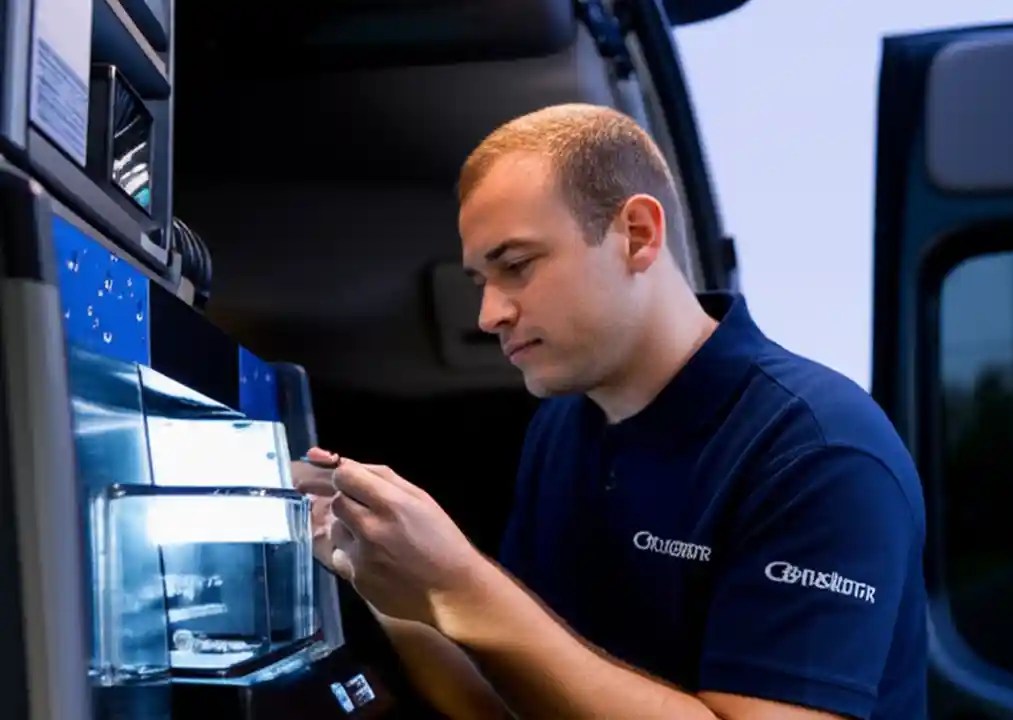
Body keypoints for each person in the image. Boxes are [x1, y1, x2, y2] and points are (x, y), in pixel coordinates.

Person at [293, 103, 927, 719]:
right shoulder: (565, 427)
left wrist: (462, 586)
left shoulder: (817, 452)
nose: (490, 315)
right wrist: (384, 571)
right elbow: (507, 700)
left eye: (516, 266)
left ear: (638, 235)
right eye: (480, 282)